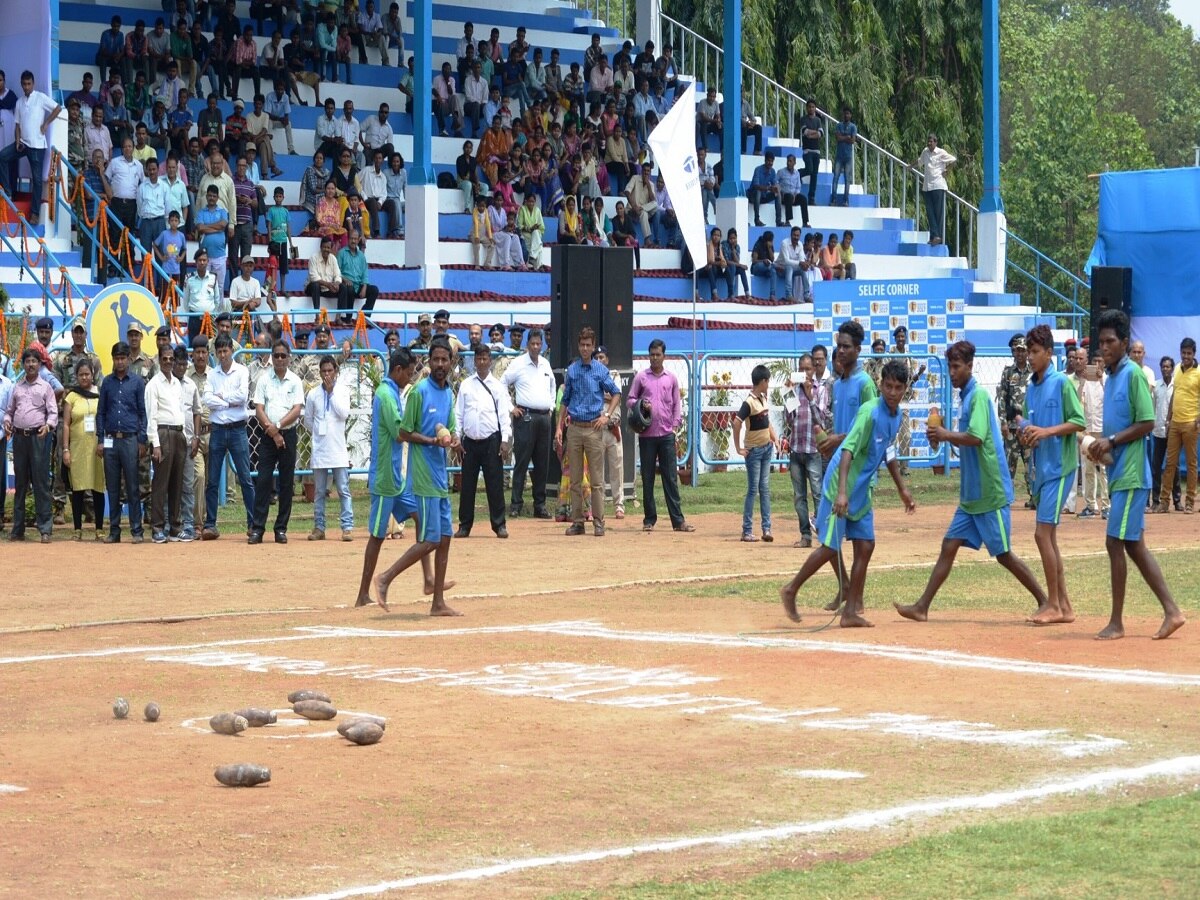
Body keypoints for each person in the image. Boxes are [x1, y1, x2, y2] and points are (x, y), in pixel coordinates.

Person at [895, 341, 1050, 623]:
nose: (952, 373)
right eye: (950, 367)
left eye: (957, 367)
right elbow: (967, 440)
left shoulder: (977, 397)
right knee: (949, 545)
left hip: (989, 491)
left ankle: (1045, 600)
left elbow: (977, 437)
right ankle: (922, 606)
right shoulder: (966, 398)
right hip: (972, 495)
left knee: (1003, 554)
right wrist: (943, 436)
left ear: (969, 366)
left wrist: (944, 435)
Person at [782, 360, 916, 626]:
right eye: (887, 386)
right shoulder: (869, 413)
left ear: (904, 389)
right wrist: (841, 493)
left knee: (866, 545)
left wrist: (902, 489)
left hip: (862, 490)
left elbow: (888, 452)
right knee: (831, 547)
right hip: (840, 486)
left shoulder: (896, 416)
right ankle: (791, 589)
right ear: (880, 385)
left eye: (898, 388)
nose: (892, 392)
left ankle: (850, 612)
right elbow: (847, 452)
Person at [1085, 310, 1186, 640]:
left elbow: (1146, 423)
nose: (1105, 347)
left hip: (1131, 476)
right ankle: (1172, 610)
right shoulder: (1112, 377)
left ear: (1125, 343)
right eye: (1101, 343)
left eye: (1110, 341)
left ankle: (1117, 622)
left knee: (1115, 542)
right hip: (1120, 474)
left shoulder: (1130, 375)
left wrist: (1111, 441)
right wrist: (1102, 447)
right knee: (1133, 546)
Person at [374, 338, 461, 615]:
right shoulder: (419, 392)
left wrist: (454, 439)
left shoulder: (448, 393)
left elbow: (449, 428)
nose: (439, 364)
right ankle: (385, 577)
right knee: (431, 539)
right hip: (422, 477)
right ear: (429, 360)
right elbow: (403, 433)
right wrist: (432, 441)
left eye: (444, 360)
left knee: (445, 537)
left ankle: (437, 603)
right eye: (435, 359)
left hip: (440, 476)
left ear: (450, 362)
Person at [1019, 325, 1086, 625]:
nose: (1030, 357)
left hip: (1060, 468)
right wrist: (1026, 433)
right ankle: (1065, 606)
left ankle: (1054, 604)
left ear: (1049, 353)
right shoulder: (1031, 388)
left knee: (1041, 534)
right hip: (1042, 471)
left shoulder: (1061, 384)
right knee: (1049, 539)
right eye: (1028, 352)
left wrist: (1046, 432)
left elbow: (1078, 421)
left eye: (1035, 352)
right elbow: (1027, 422)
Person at [557, 327, 621, 536]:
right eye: (582, 345)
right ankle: (578, 522)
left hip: (594, 428)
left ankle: (599, 522)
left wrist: (607, 415)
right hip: (574, 427)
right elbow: (565, 401)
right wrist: (559, 427)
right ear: (578, 346)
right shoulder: (573, 370)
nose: (585, 348)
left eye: (588, 345)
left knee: (596, 481)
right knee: (575, 480)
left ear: (593, 347)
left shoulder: (600, 370)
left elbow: (616, 393)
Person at [627, 340, 693, 533]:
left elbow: (676, 405)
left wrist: (674, 427)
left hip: (666, 434)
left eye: (658, 354)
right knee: (647, 478)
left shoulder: (671, 379)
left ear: (664, 355)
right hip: (647, 435)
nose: (655, 358)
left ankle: (678, 521)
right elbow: (630, 400)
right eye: (652, 355)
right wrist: (641, 403)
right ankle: (649, 519)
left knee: (671, 478)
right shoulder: (641, 377)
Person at [248, 340, 303, 544]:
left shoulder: (295, 381)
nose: (280, 359)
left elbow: (297, 410)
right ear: (272, 357)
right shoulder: (264, 380)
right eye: (276, 355)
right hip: (267, 435)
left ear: (289, 358)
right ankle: (258, 529)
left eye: (283, 355)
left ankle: (281, 528)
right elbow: (259, 408)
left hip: (287, 434)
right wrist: (273, 431)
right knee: (263, 481)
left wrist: (277, 426)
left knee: (286, 483)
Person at [455, 343, 512, 538]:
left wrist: (505, 440)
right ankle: (464, 525)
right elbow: (458, 414)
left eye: (485, 358)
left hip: (491, 441)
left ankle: (499, 524)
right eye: (478, 358)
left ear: (490, 360)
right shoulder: (465, 385)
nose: (481, 362)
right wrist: (457, 438)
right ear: (474, 360)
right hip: (470, 442)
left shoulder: (497, 387)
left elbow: (504, 416)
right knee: (467, 486)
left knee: (494, 485)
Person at [201, 334, 256, 538]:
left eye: (226, 351)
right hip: (218, 429)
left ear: (232, 351)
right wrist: (227, 402)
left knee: (245, 477)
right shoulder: (212, 374)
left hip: (237, 429)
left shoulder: (242, 371)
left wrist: (221, 398)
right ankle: (210, 524)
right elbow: (207, 399)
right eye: (219, 351)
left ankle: (253, 523)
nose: (223, 355)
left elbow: (242, 397)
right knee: (213, 479)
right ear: (215, 353)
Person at [3, 348, 59, 542]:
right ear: (24, 365)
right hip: (19, 439)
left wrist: (48, 426)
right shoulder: (17, 387)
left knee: (41, 483)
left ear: (39, 364)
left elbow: (53, 413)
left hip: (39, 438)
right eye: (27, 361)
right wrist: (7, 421)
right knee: (20, 484)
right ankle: (18, 530)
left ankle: (45, 529)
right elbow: (9, 411)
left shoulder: (46, 388)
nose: (31, 364)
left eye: (34, 361)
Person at [96, 341, 148, 543]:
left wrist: (142, 440)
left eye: (122, 358)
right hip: (110, 440)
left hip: (130, 440)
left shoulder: (136, 383)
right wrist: (100, 439)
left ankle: (137, 530)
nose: (119, 361)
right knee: (113, 487)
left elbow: (143, 413)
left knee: (133, 486)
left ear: (128, 359)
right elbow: (101, 413)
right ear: (113, 359)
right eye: (116, 358)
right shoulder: (107, 383)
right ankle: (114, 531)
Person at [503, 327, 556, 518]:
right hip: (524, 417)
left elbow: (552, 386)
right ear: (527, 345)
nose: (535, 347)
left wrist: (550, 407)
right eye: (532, 344)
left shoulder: (545, 364)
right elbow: (502, 384)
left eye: (538, 344)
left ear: (541, 345)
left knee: (543, 463)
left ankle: (539, 505)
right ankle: (516, 504)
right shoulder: (518, 363)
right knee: (522, 463)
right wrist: (511, 408)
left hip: (544, 418)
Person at [302, 353, 353, 542]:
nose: (327, 375)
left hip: (338, 449)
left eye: (330, 371)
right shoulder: (313, 394)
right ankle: (319, 527)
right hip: (320, 449)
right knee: (319, 491)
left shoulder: (342, 391)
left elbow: (344, 414)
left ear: (336, 372)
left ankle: (347, 527)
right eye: (323, 371)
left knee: (343, 489)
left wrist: (331, 393)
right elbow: (308, 420)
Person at [145, 344, 188, 543]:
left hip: (178, 433)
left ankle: (175, 526)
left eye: (172, 359)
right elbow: (151, 416)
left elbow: (180, 411)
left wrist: (185, 436)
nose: (169, 362)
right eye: (165, 359)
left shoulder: (177, 384)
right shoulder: (153, 384)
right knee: (161, 483)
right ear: (159, 360)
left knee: (176, 483)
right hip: (162, 433)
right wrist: (155, 443)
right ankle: (157, 527)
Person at [787, 353, 830, 549]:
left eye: (808, 369)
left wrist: (809, 395)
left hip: (813, 449)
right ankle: (805, 535)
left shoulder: (820, 390)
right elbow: (789, 421)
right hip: (796, 447)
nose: (805, 373)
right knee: (799, 496)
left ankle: (822, 531)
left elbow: (821, 420)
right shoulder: (793, 391)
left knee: (818, 493)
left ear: (814, 370)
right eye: (801, 369)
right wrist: (787, 394)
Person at [733, 364, 779, 543]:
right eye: (767, 381)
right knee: (754, 489)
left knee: (764, 489)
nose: (768, 384)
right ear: (762, 381)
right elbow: (737, 423)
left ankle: (766, 528)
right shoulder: (749, 402)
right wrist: (738, 448)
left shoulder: (762, 399)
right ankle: (747, 530)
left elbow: (766, 422)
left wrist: (773, 438)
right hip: (754, 451)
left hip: (765, 448)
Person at [1158, 335, 1200, 514]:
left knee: (1191, 464)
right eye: (1183, 353)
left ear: (1194, 353)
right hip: (1175, 423)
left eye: (1189, 353)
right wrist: (1168, 419)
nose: (1186, 356)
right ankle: (1164, 502)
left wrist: (1198, 419)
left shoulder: (1198, 373)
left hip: (1191, 423)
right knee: (1170, 464)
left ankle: (1190, 502)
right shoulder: (1176, 369)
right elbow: (1174, 394)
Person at [997, 333, 1034, 508]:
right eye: (1017, 350)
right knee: (1009, 464)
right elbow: (1002, 398)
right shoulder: (1007, 373)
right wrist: (1003, 422)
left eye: (1023, 350)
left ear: (1028, 352)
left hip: (1028, 427)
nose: (1020, 354)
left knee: (1031, 464)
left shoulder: (1034, 373)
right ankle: (1006, 497)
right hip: (1011, 427)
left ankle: (1034, 497)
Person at [1079, 352, 1109, 519]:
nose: (1097, 365)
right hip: (1087, 429)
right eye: (1094, 362)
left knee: (1103, 468)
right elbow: (1077, 401)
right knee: (1088, 469)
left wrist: (1102, 380)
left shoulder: (1107, 380)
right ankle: (1091, 505)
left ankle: (1106, 505)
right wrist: (1083, 381)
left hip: (1102, 429)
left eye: (1100, 361)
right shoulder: (1086, 382)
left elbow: (1110, 399)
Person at [1151, 355, 1181, 513]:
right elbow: (1153, 407)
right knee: (1156, 467)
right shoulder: (1156, 386)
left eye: (1168, 367)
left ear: (1172, 368)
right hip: (1158, 432)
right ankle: (1155, 500)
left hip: (1173, 432)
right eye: (1163, 367)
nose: (1165, 369)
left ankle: (1177, 501)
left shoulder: (1177, 386)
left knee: (1173, 467)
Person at [916, 133, 956, 245]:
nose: (929, 143)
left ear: (935, 142)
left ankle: (937, 237)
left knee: (938, 213)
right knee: (930, 212)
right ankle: (935, 236)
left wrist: (947, 170)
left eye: (931, 141)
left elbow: (953, 160)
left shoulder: (941, 152)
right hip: (927, 186)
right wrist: (910, 166)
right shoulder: (925, 152)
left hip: (938, 185)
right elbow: (920, 161)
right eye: (928, 141)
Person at [830, 106, 857, 206]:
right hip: (839, 156)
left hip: (848, 157)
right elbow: (838, 138)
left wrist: (843, 137)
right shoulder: (838, 125)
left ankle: (845, 200)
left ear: (850, 115)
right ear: (843, 114)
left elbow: (853, 140)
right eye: (845, 113)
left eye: (848, 114)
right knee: (835, 177)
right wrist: (847, 137)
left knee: (847, 179)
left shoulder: (853, 127)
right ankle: (833, 199)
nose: (846, 115)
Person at [748, 152, 782, 227]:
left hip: (763, 196)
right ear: (765, 160)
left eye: (772, 161)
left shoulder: (772, 171)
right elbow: (756, 186)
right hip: (753, 196)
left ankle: (778, 221)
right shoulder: (758, 169)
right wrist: (769, 188)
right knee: (758, 191)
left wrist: (776, 188)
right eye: (768, 161)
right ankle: (757, 219)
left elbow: (775, 183)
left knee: (778, 194)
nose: (770, 163)